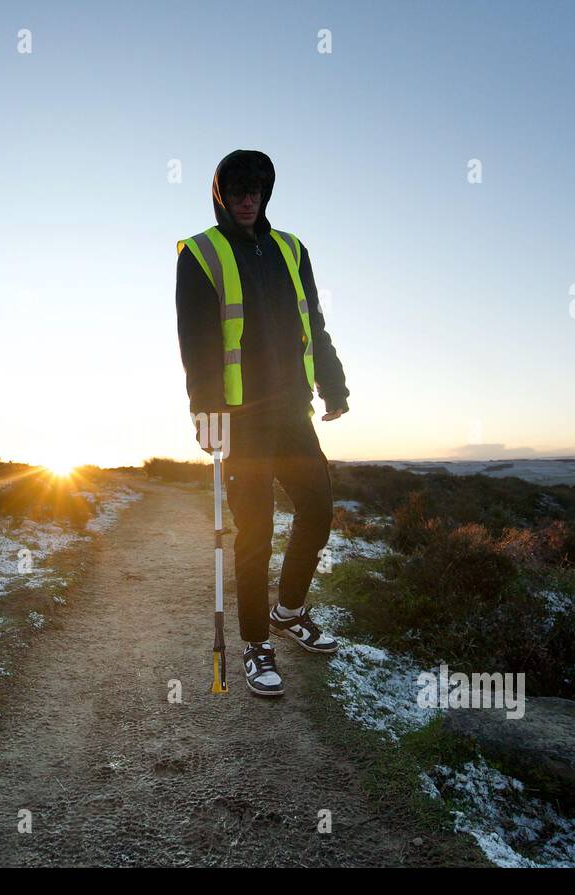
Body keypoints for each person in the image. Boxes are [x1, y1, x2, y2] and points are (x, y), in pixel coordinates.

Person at [175, 149, 350, 696]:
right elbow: (196, 340)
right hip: (241, 419)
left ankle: (288, 611)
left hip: (292, 411)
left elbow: (313, 323)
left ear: (267, 193)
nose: (248, 198)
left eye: (257, 189)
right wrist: (204, 411)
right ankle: (255, 645)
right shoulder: (200, 253)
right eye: (237, 189)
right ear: (220, 193)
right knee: (254, 533)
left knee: (317, 509)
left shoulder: (292, 250)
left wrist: (333, 382)